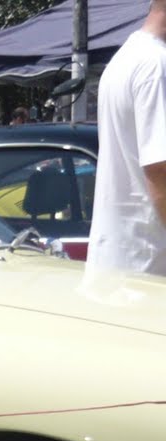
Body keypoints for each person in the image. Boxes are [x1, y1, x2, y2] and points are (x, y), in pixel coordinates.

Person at [86, 0, 166, 279]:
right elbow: (160, 170)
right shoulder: (157, 65)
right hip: (147, 269)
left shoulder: (126, 58)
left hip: (119, 261)